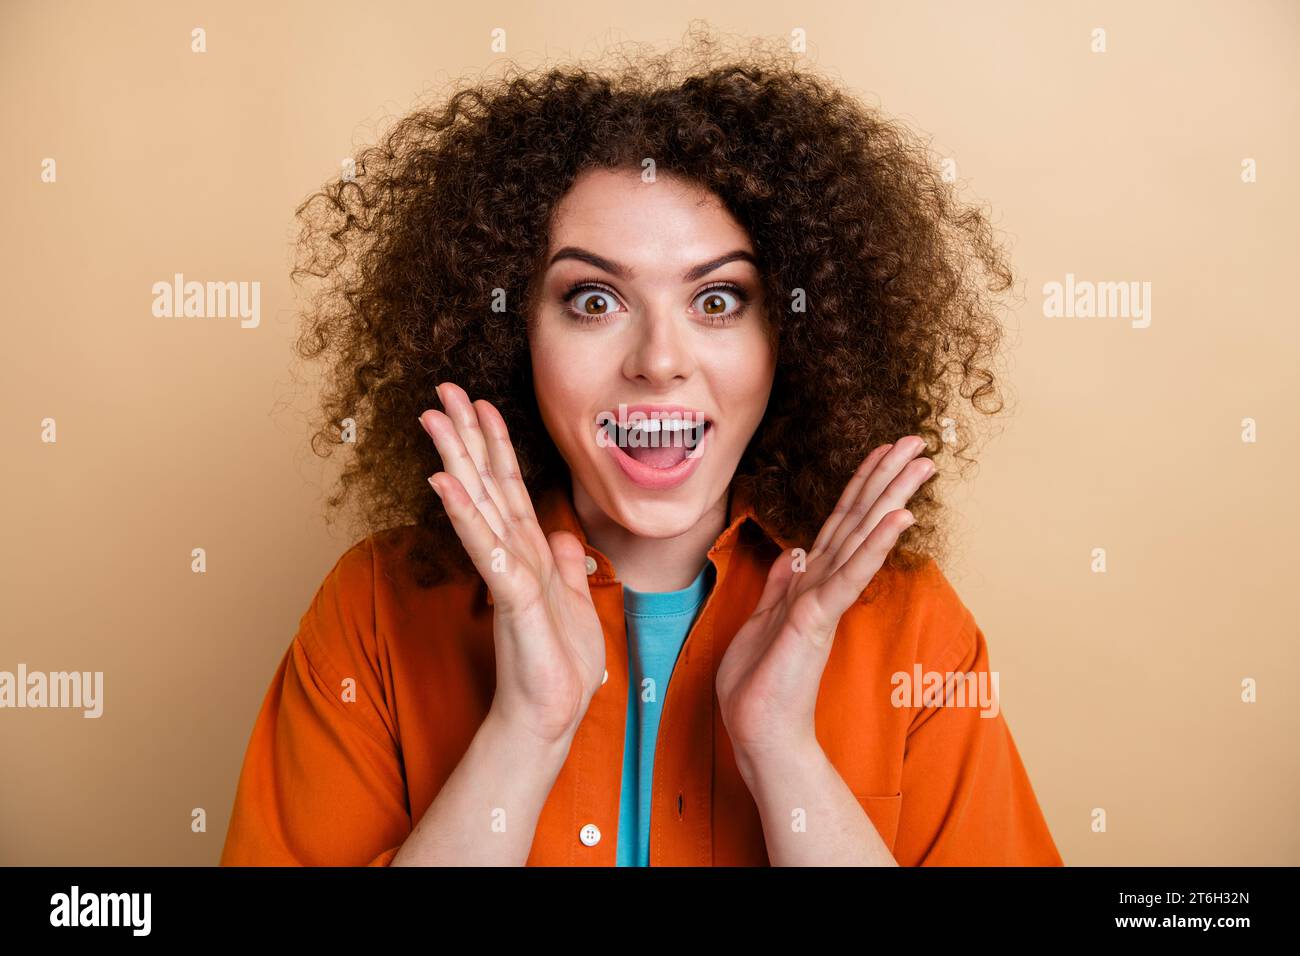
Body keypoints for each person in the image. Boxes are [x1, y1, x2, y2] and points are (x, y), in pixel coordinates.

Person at [220, 29, 1062, 867]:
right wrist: (524, 731)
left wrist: (783, 751)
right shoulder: (376, 611)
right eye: (594, 300)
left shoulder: (911, 628)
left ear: (790, 337)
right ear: (513, 334)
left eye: (718, 300)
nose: (659, 361)